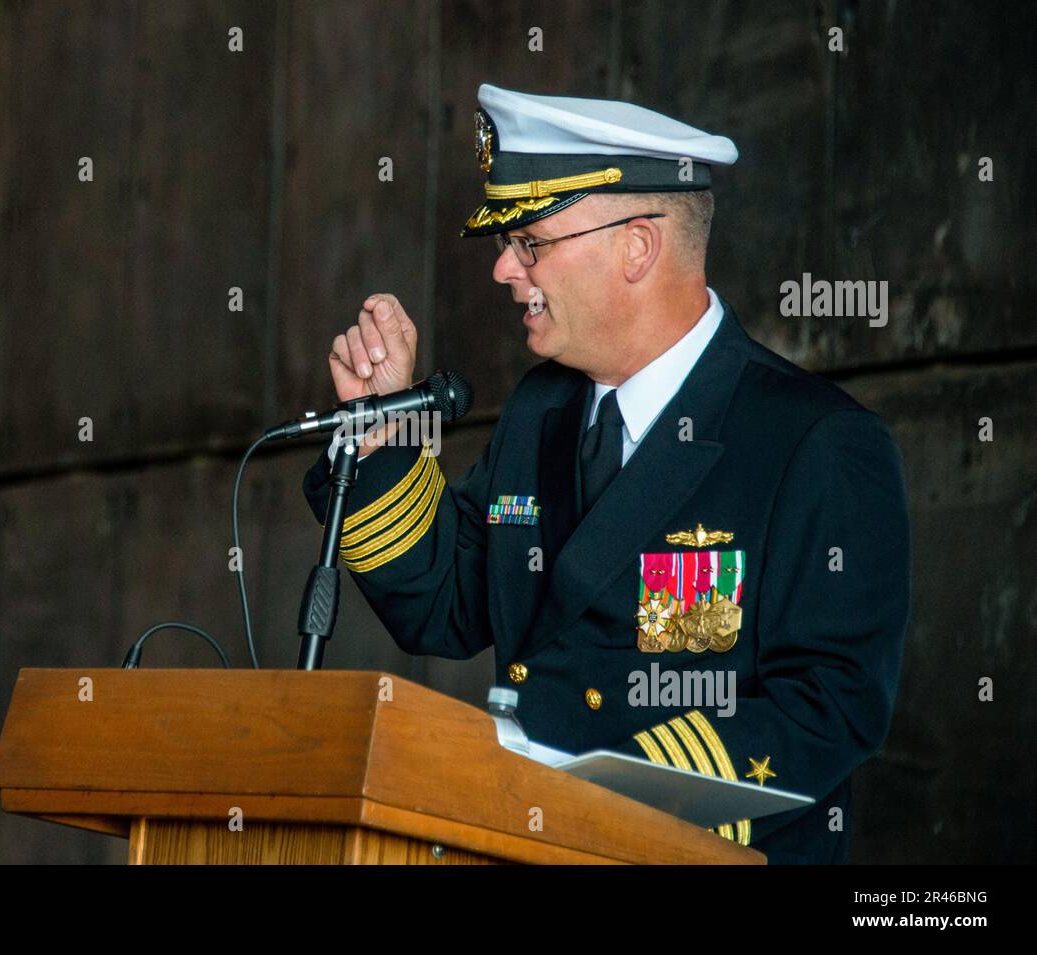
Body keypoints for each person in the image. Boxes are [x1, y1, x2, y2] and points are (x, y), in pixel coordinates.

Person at [301, 83, 911, 864]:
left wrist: (593, 797)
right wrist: (384, 433)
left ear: (638, 247)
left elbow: (832, 705)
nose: (503, 271)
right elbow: (446, 606)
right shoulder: (542, 412)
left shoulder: (814, 441)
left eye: (531, 242)